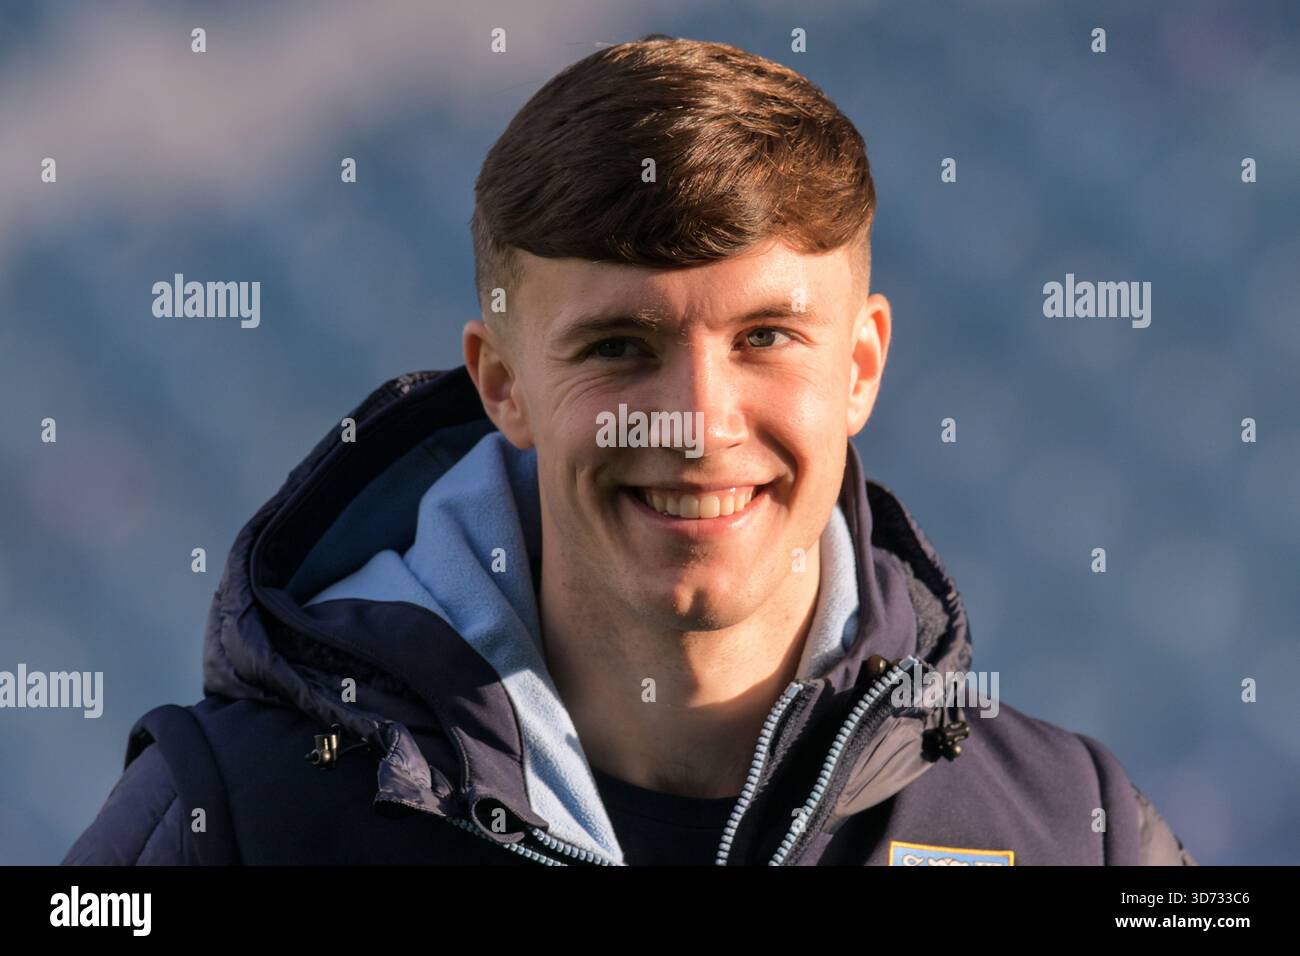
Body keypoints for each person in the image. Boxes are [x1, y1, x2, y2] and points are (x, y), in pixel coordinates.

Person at [63, 35, 1194, 866]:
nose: (695, 425)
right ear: (503, 381)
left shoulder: (1070, 828)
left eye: (765, 337)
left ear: (859, 365)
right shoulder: (232, 819)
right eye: (618, 345)